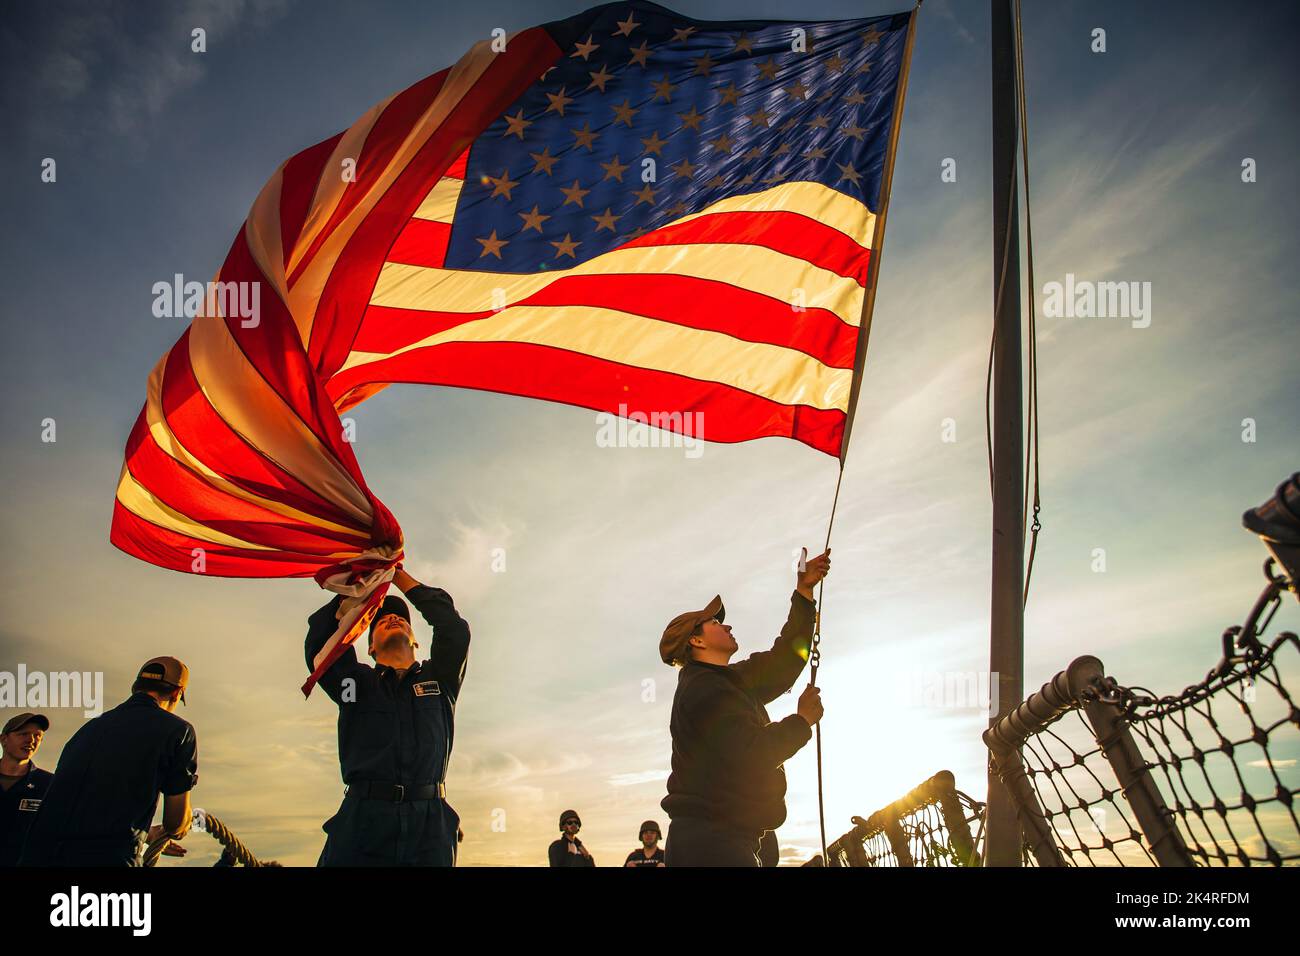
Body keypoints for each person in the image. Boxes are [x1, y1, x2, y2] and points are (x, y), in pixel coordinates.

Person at [658, 549, 831, 866]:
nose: (726, 625)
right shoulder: (704, 690)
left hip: (723, 839)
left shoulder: (729, 680)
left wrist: (804, 592)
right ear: (696, 641)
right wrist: (802, 721)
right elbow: (751, 753)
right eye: (713, 622)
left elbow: (784, 660)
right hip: (711, 845)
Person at [307, 567, 470, 866]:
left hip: (430, 826)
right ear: (369, 646)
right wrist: (360, 589)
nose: (394, 619)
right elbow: (321, 645)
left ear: (415, 640)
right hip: (362, 820)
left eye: (402, 620)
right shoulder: (354, 686)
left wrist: (398, 577)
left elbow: (454, 630)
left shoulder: (441, 679)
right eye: (381, 621)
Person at [19, 658, 197, 866]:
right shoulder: (179, 731)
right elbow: (175, 822)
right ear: (177, 693)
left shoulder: (89, 729)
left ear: (136, 688)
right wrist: (184, 823)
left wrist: (147, 833)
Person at [0, 713, 53, 867]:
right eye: (23, 734)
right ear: (3, 739)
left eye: (37, 736)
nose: (31, 740)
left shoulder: (49, 785)